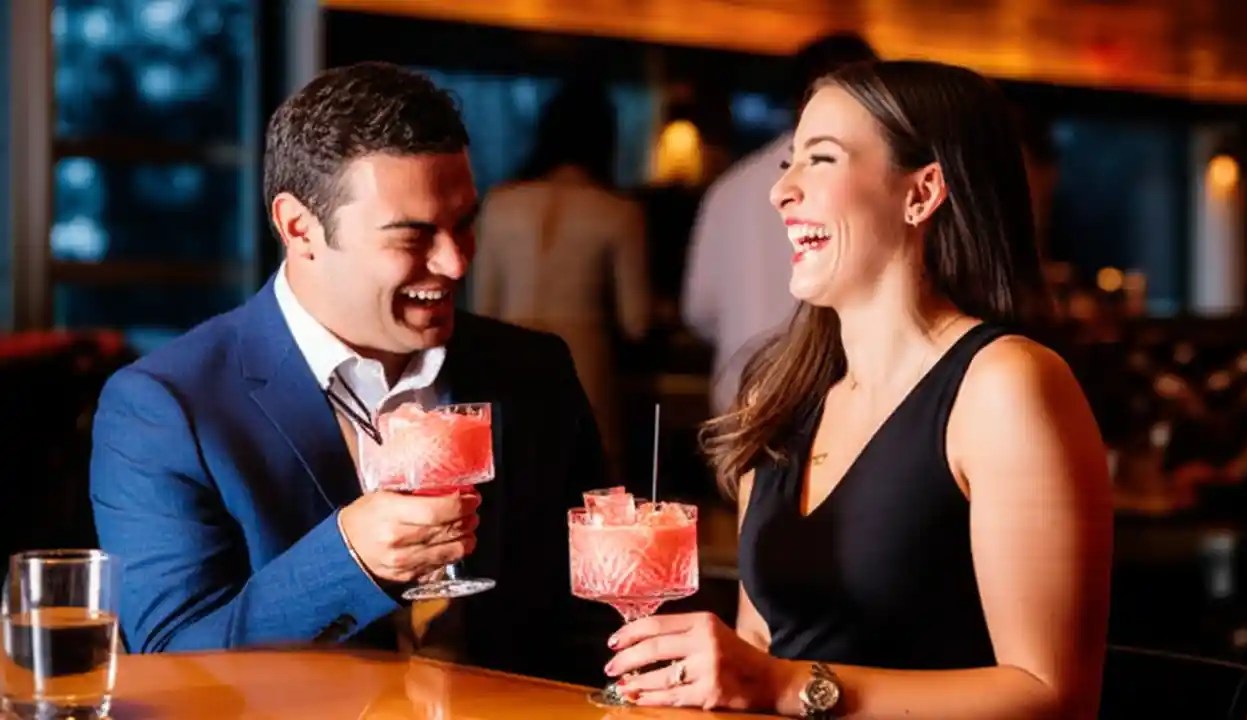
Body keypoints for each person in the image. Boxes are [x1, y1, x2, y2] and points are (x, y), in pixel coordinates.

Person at [601, 61, 1113, 718]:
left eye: (820, 159)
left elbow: (1056, 696)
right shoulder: (780, 391)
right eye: (790, 161)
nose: (781, 191)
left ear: (922, 193)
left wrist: (783, 686)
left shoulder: (1005, 385)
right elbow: (761, 646)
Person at [89, 62, 609, 682]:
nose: (455, 261)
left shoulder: (532, 371)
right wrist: (349, 560)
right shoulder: (165, 407)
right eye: (411, 236)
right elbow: (170, 663)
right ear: (299, 228)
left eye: (465, 223)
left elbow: (591, 628)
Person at [681, 33, 878, 416]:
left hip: (737, 404)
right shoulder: (863, 185)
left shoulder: (731, 186)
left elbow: (698, 310)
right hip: (830, 402)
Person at [472, 78, 648, 471]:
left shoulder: (501, 203)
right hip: (584, 361)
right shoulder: (618, 212)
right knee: (586, 494)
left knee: (508, 483)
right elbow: (636, 321)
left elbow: (481, 305)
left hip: (505, 356)